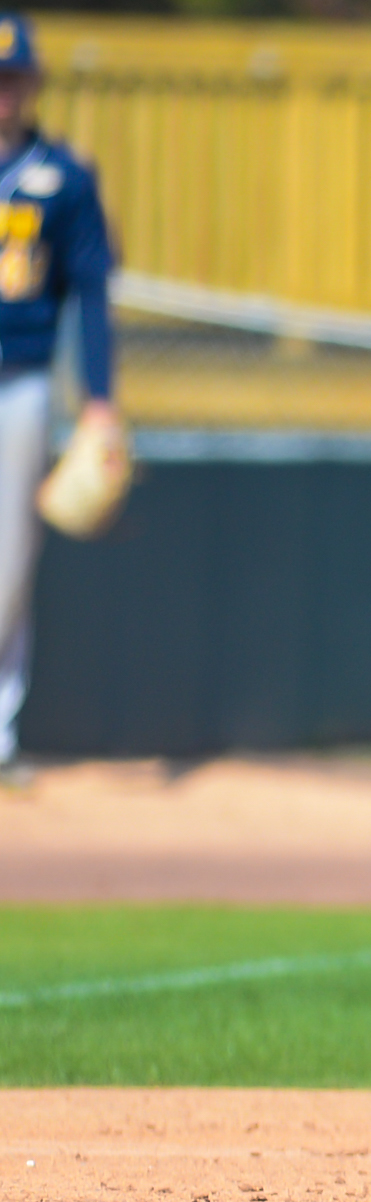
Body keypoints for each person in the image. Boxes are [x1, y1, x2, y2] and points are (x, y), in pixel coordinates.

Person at [0, 14, 119, 775]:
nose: (3, 93)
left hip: (23, 379)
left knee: (9, 558)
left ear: (34, 82)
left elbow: (92, 294)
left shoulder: (64, 176)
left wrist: (100, 401)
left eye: (12, 77)